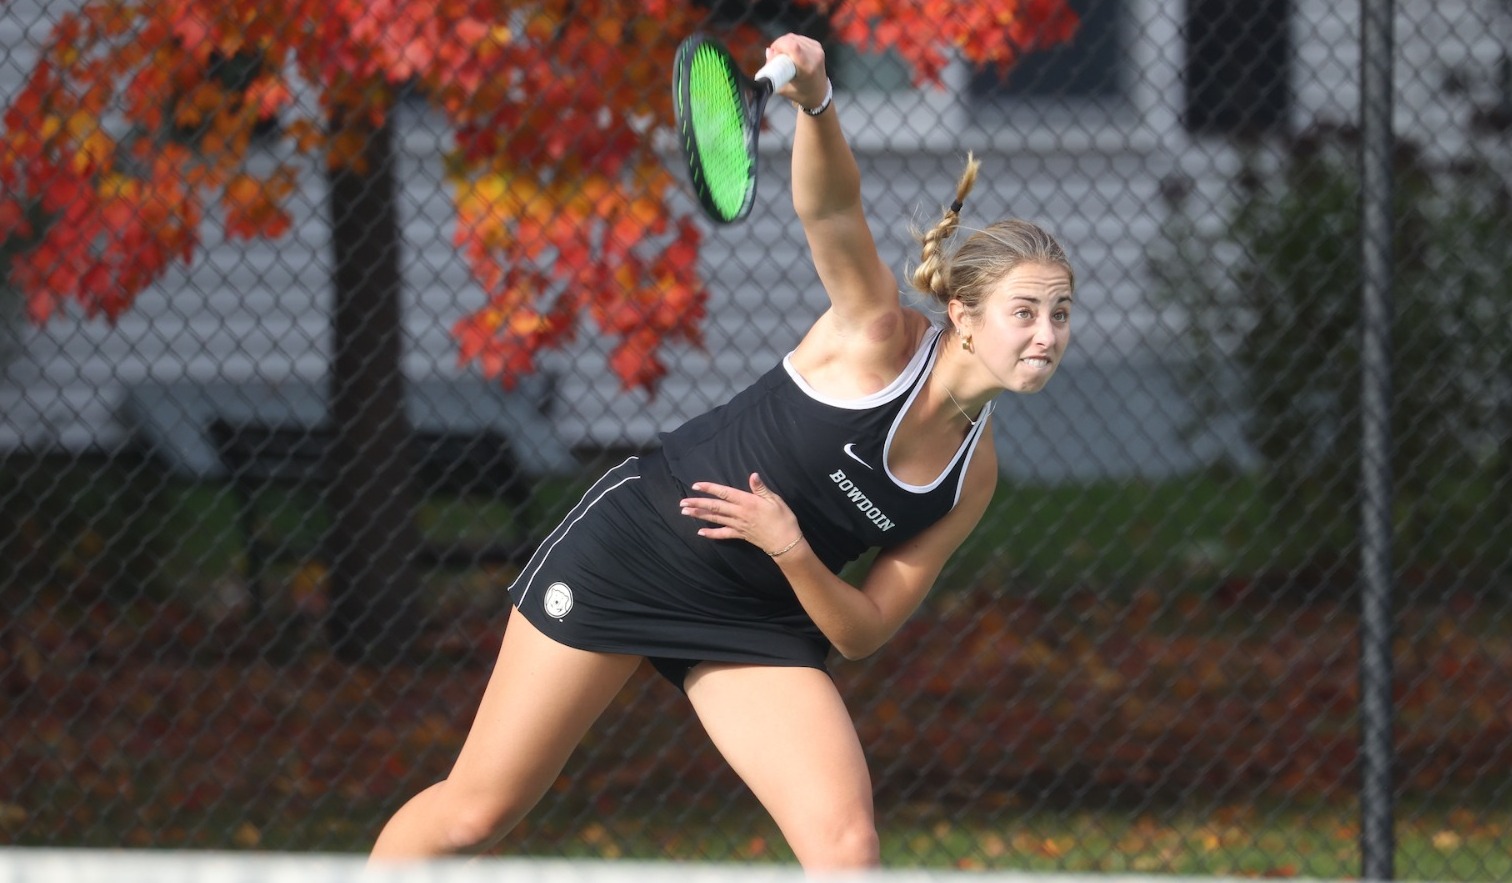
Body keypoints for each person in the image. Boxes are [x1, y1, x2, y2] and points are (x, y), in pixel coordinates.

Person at [369, 32, 1075, 871]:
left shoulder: (972, 475)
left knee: (847, 845)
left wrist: (791, 549)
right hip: (640, 548)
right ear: (963, 313)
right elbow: (832, 212)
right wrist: (816, 102)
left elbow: (863, 630)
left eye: (1061, 314)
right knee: (476, 811)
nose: (1046, 334)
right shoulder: (876, 337)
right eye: (1024, 311)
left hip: (758, 614)